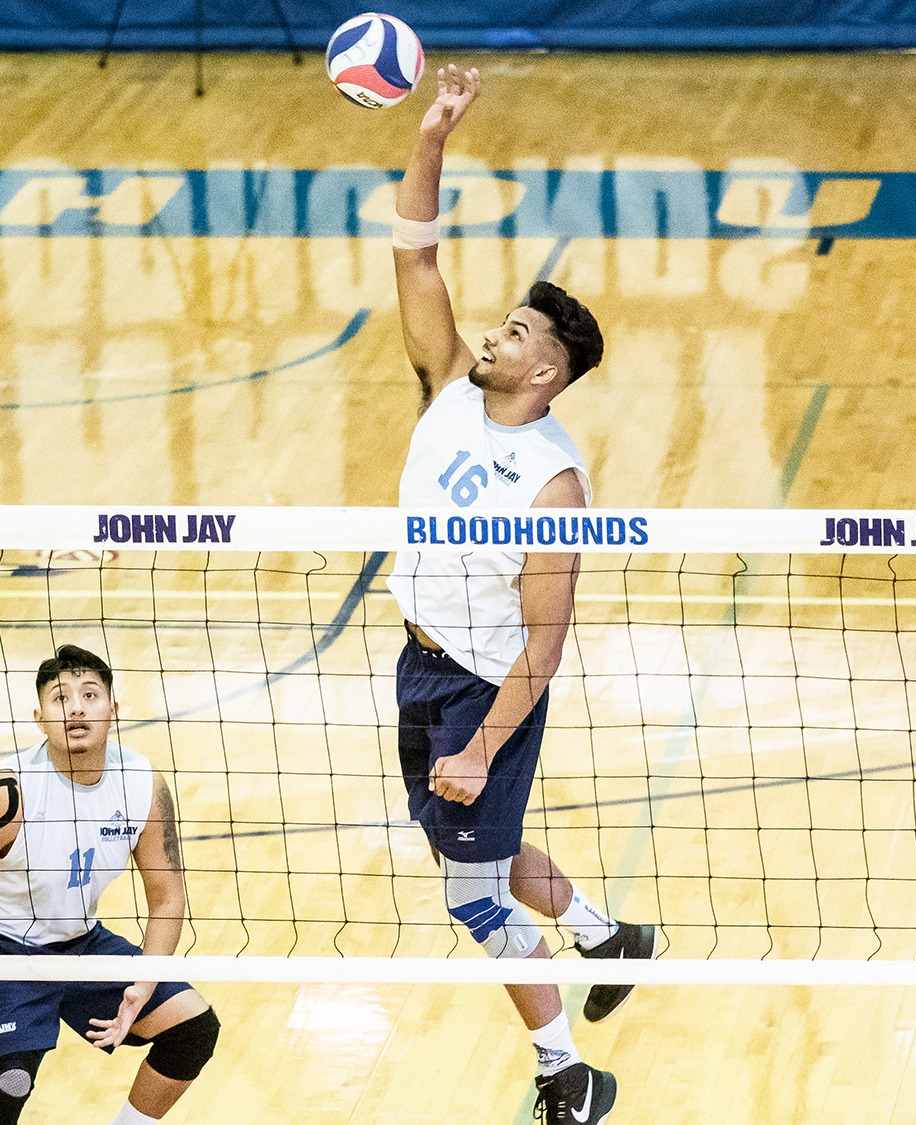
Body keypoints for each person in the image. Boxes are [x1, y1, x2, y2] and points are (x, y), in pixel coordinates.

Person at [383, 64, 649, 1123]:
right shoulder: (447, 380)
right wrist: (433, 133)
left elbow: (543, 647)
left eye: (519, 333)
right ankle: (603, 932)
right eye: (502, 321)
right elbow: (414, 248)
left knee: (469, 890)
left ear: (545, 374)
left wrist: (485, 743)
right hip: (417, 658)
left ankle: (565, 1070)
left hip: (484, 690)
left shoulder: (552, 484)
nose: (496, 330)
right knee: (476, 846)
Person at [0, 645, 221, 1125]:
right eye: (60, 698)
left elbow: (166, 897)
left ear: (113, 711)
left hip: (77, 942)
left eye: (90, 694)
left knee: (193, 1030)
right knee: (10, 1081)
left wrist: (144, 984)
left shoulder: (141, 782)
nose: (76, 707)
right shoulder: (8, 794)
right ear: (40, 718)